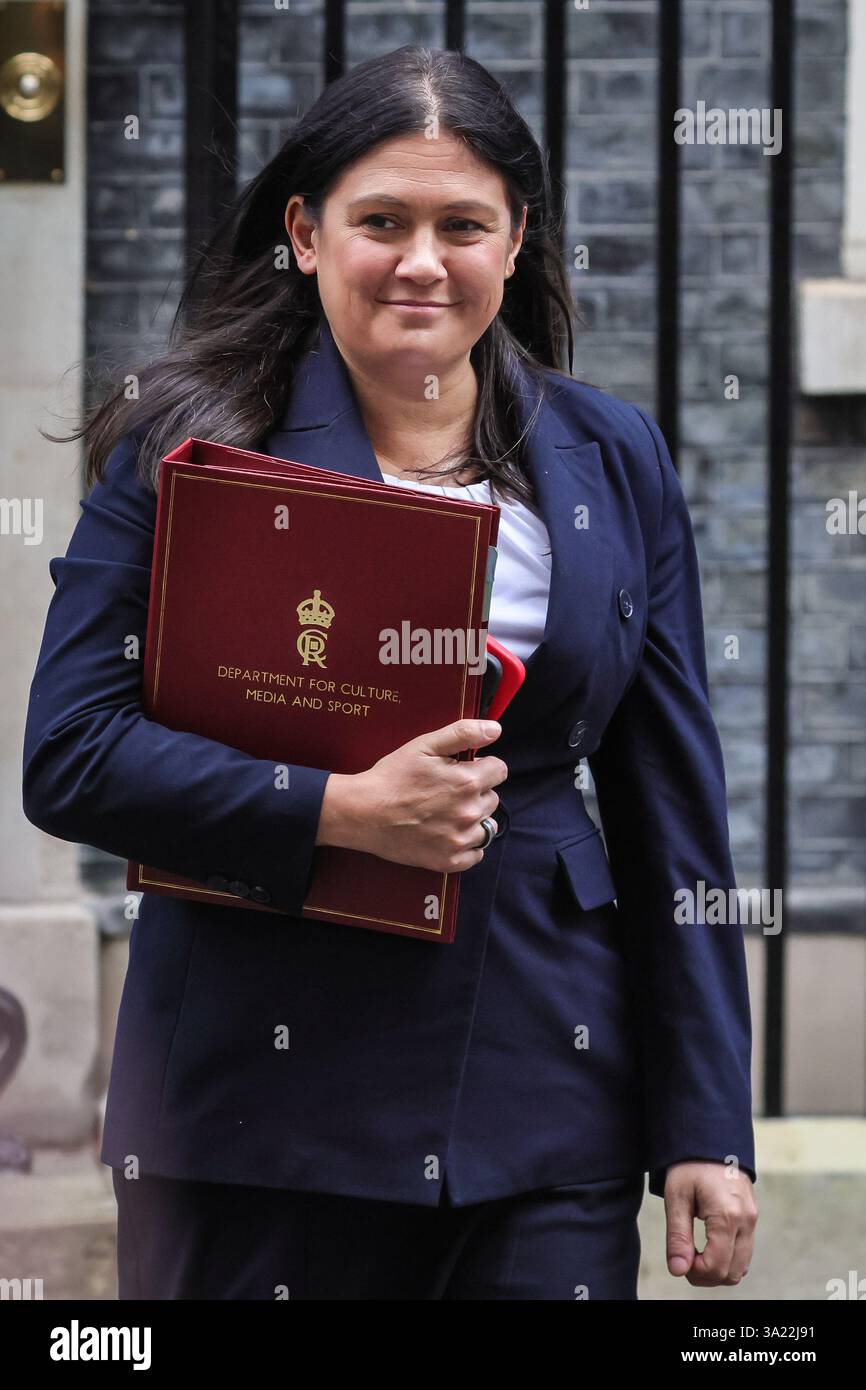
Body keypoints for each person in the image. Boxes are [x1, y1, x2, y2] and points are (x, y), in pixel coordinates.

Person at [22, 45, 757, 1300]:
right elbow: (72, 754)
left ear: (516, 240)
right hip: (260, 1091)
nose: (423, 259)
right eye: (382, 221)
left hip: (544, 1081)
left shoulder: (609, 455)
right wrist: (335, 811)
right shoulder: (189, 444)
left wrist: (704, 1122)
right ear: (305, 235)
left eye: (461, 223)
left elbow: (666, 801)